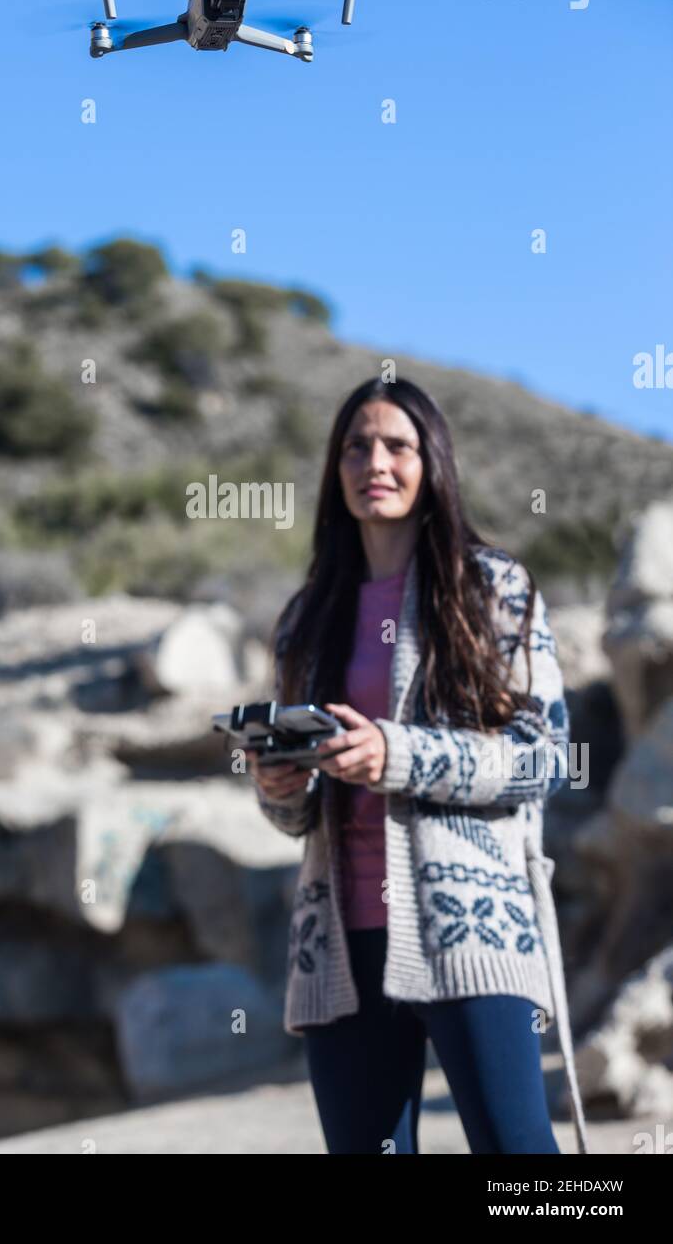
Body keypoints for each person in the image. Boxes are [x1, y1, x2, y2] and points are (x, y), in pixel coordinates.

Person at [246, 375, 590, 1155]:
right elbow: (297, 817)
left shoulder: (491, 588)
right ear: (336, 472)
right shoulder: (306, 618)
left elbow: (544, 757)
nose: (377, 461)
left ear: (431, 462)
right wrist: (281, 786)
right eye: (356, 447)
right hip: (339, 943)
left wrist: (393, 754)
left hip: (472, 923)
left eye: (398, 445)